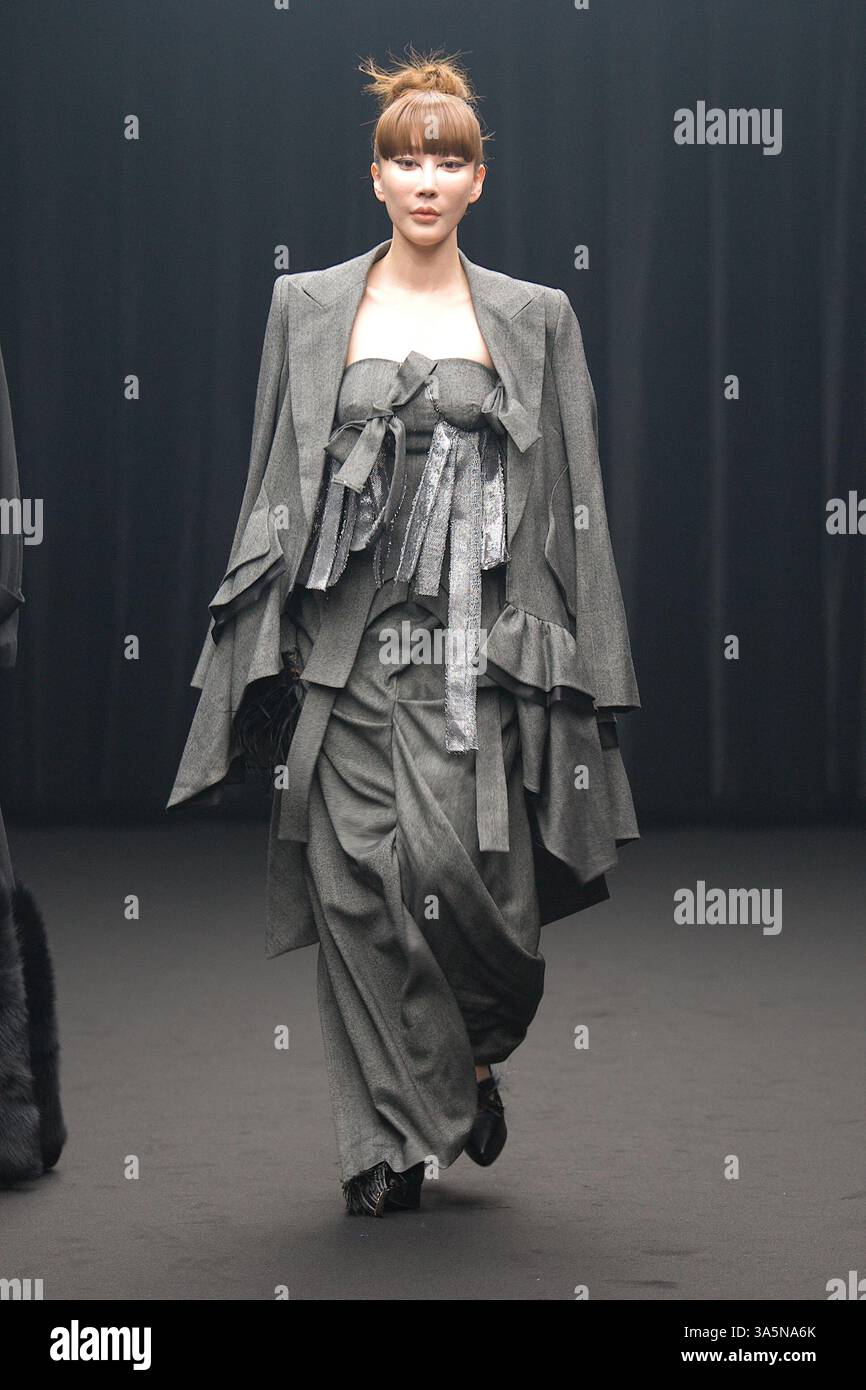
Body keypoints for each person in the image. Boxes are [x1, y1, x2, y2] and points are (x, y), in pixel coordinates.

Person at [167, 47, 640, 1217]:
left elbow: (577, 498)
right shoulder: (310, 305)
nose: (423, 177)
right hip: (347, 650)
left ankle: (467, 1058)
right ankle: (382, 1146)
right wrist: (250, 640)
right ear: (373, 176)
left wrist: (591, 671)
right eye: (402, 157)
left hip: (474, 657)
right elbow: (272, 480)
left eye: (447, 158)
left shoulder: (535, 318)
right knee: (351, 886)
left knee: (469, 885)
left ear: (479, 181)